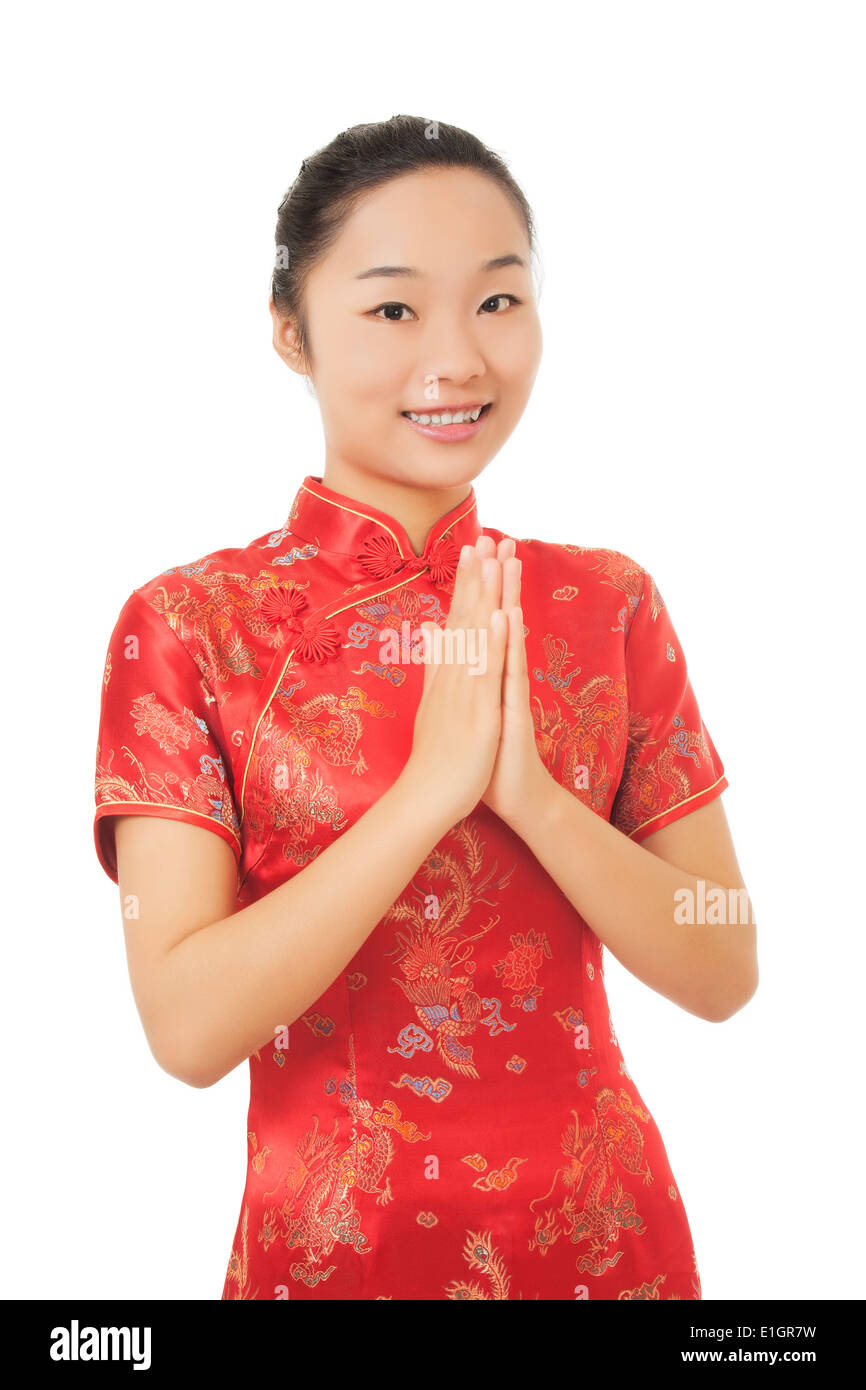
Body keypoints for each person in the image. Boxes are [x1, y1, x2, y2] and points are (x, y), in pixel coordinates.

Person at [93, 115, 758, 1301]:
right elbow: (186, 1031)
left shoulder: (603, 602)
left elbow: (721, 963)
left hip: (607, 1244)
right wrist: (423, 797)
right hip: (337, 1252)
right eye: (392, 310)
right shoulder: (193, 624)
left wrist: (532, 799)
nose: (454, 358)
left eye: (496, 302)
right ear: (290, 331)